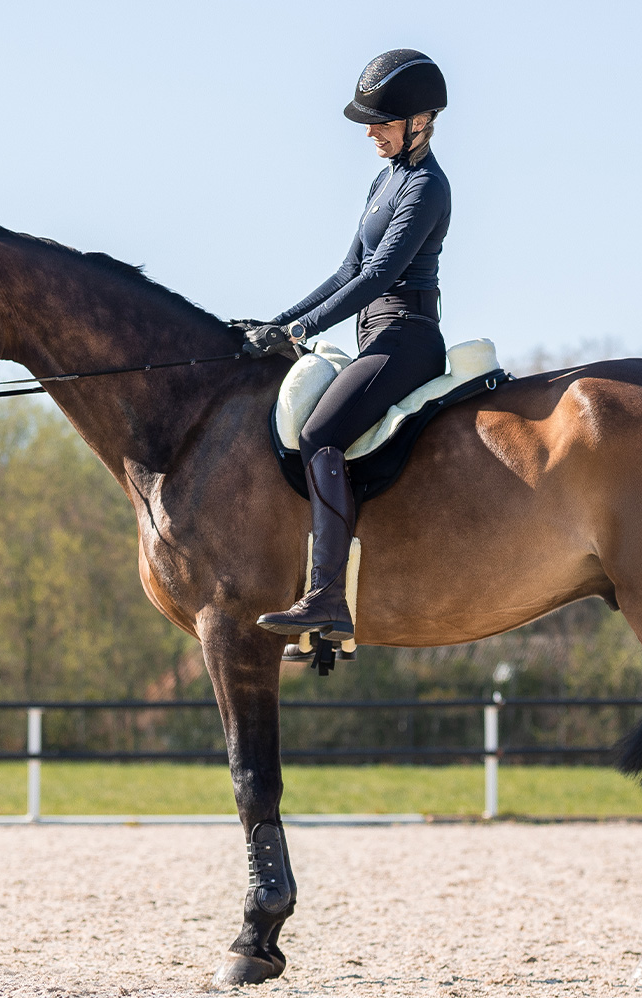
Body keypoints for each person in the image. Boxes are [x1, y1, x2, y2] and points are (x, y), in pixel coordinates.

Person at [245, 48, 451, 643]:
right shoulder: (385, 180)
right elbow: (345, 273)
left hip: (406, 338)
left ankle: (328, 597)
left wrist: (302, 332)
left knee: (318, 433)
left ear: (420, 121)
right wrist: (277, 322)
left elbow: (379, 277)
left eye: (380, 123)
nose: (369, 132)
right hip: (372, 335)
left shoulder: (426, 187)